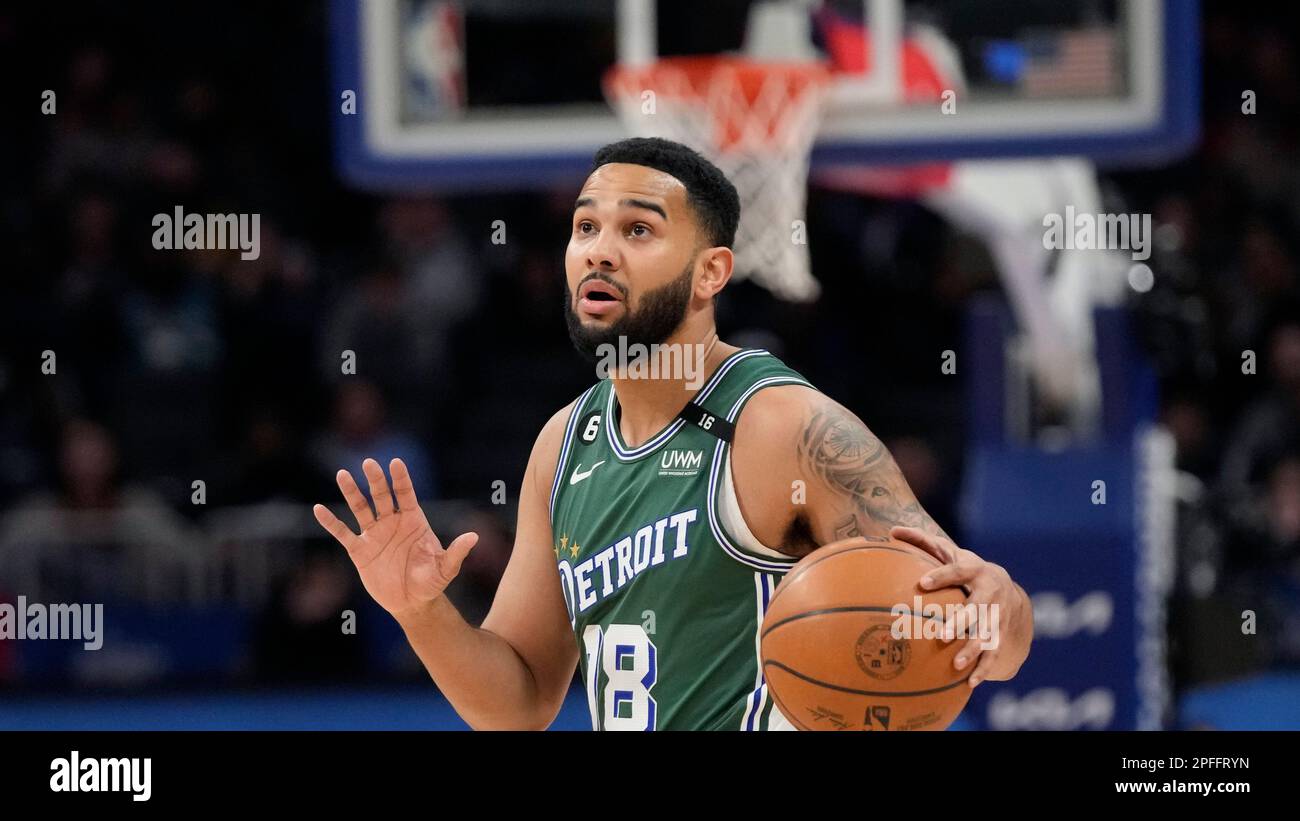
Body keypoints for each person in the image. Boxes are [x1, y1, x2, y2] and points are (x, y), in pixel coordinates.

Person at [313, 137, 1033, 730]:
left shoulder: (780, 424)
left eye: (638, 230)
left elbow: (972, 620)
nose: (598, 250)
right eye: (585, 226)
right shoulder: (561, 447)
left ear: (710, 272)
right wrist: (421, 611)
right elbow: (520, 701)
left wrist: (997, 609)